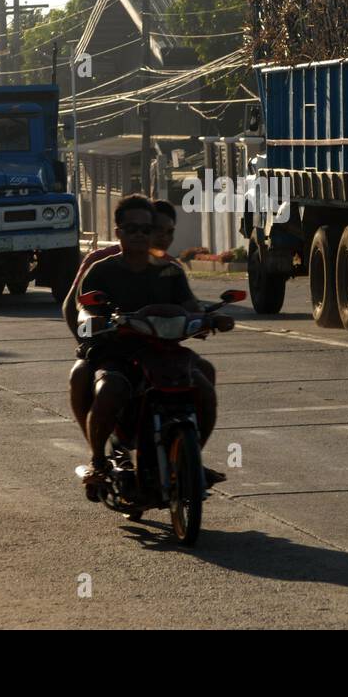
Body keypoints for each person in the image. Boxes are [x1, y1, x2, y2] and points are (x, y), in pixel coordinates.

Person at [74, 195, 230, 492]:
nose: (139, 235)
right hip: (120, 354)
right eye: (131, 229)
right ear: (118, 231)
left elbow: (190, 304)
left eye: (146, 229)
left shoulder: (169, 270)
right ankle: (98, 461)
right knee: (110, 389)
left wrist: (210, 319)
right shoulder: (102, 270)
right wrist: (91, 320)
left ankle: (191, 456)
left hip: (166, 353)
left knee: (205, 381)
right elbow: (84, 307)